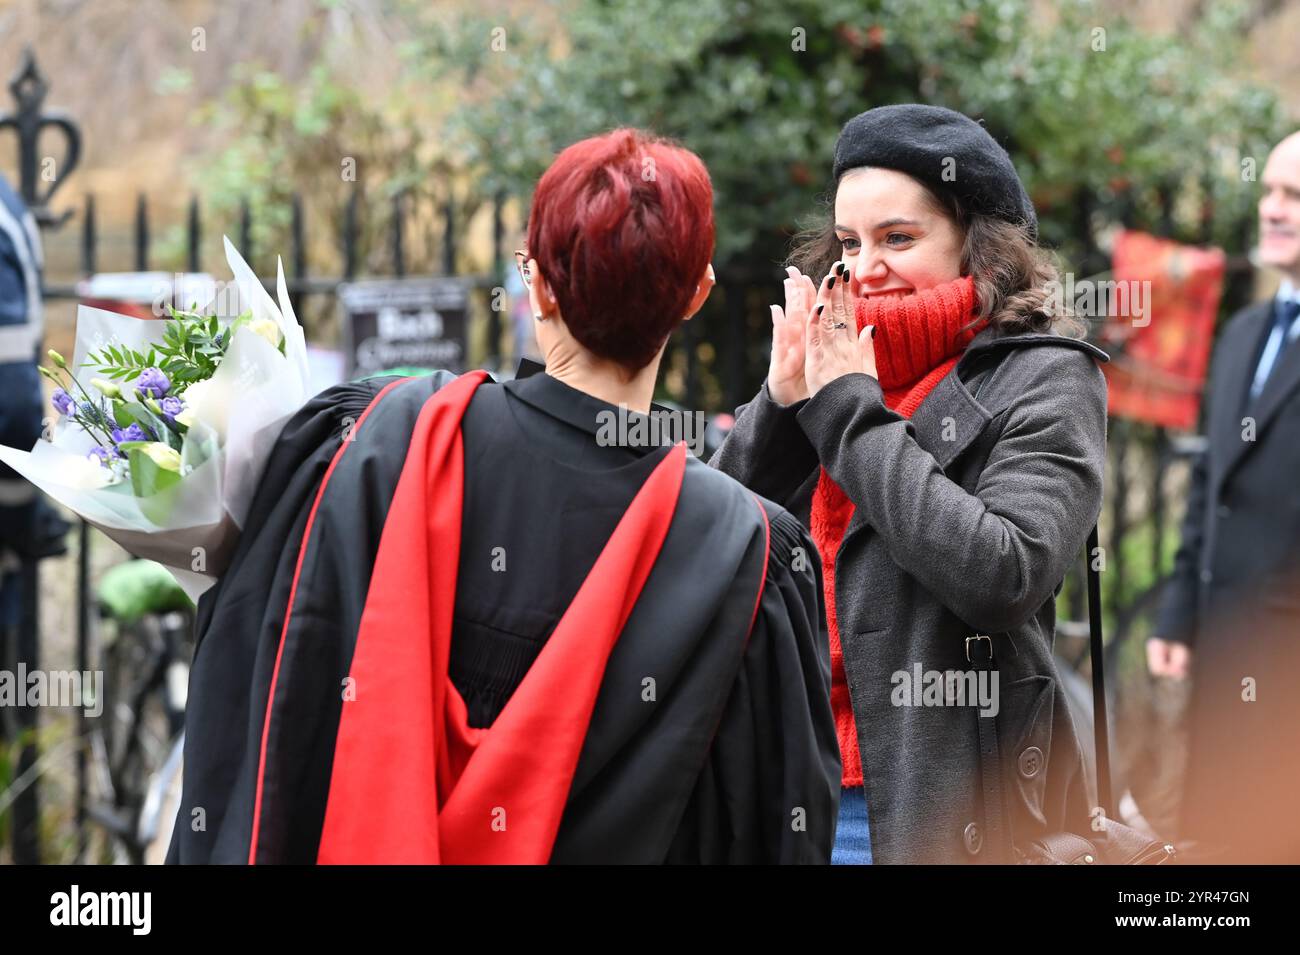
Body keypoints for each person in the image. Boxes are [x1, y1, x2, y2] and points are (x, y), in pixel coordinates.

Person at [166, 128, 840, 865]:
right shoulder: (745, 554)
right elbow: (774, 832)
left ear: (537, 282)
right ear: (696, 294)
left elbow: (256, 715)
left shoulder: (379, 443)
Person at [711, 104, 1109, 864]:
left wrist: (847, 413)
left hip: (941, 812)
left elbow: (1002, 571)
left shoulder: (1045, 375)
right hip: (789, 797)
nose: (864, 268)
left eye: (898, 237)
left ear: (976, 244)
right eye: (851, 243)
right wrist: (780, 400)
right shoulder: (832, 371)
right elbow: (715, 554)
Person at [1148, 131, 1300, 863]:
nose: (1271, 209)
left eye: (1292, 196)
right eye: (1269, 190)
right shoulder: (1243, 331)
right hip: (1223, 650)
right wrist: (1180, 613)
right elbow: (1214, 481)